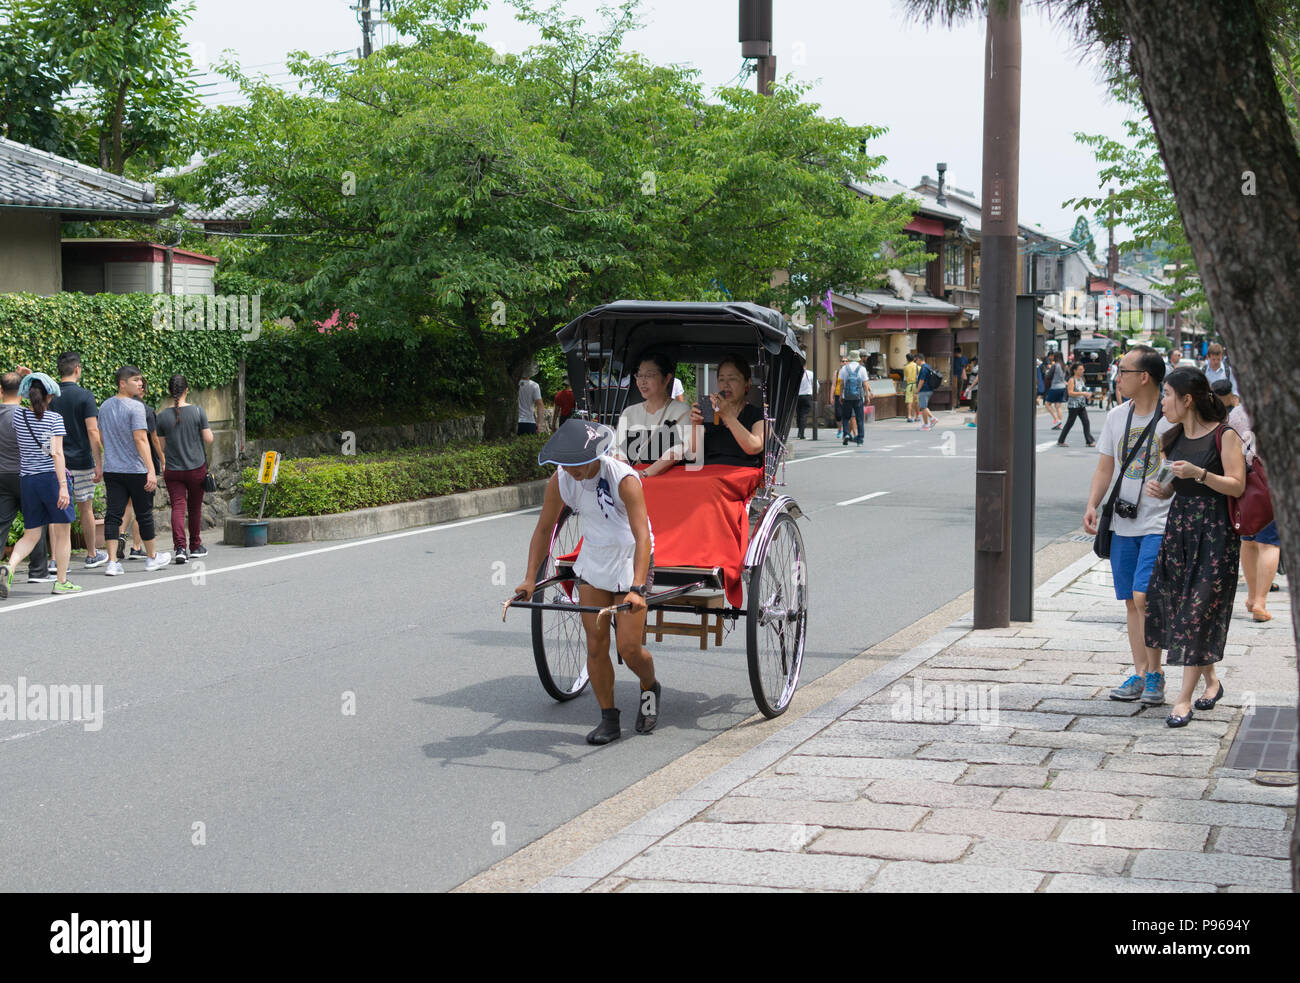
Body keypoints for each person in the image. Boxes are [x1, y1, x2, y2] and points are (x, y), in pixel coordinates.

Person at [515, 419, 659, 745]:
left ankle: (650, 688)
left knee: (630, 647)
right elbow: (543, 530)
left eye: (577, 463)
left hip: (630, 559)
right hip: (593, 562)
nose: (572, 470)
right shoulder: (562, 480)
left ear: (596, 453)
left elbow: (641, 536)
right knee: (595, 644)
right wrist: (528, 578)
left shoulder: (624, 479)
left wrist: (637, 587)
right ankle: (608, 717)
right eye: (565, 463)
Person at [1143, 367, 1247, 727]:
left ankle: (1182, 699)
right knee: (1176, 607)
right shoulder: (1169, 438)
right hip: (1180, 529)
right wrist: (1164, 488)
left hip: (1216, 532)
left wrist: (1200, 474)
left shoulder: (1225, 435)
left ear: (1187, 399)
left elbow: (1236, 486)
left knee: (1196, 611)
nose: (1163, 403)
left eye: (1168, 395)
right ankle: (1213, 682)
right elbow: (1173, 484)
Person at [1084, 346, 1171, 705]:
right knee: (1131, 604)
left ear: (1144, 377)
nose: (1117, 378)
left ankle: (1156, 673)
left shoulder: (1172, 416)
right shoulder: (1117, 417)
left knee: (1144, 596)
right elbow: (1106, 467)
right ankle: (1140, 672)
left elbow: (1177, 463)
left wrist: (1167, 486)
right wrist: (1092, 504)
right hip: (1122, 520)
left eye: (1122, 371)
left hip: (1159, 520)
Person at [0, 373, 82, 597]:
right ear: (49, 396)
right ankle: (62, 581)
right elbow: (56, 454)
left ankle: (10, 566)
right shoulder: (54, 419)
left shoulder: (19, 417)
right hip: (51, 479)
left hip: (28, 480)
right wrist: (63, 486)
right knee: (63, 532)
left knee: (31, 533)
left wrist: (27, 378)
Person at [1214, 379, 1278, 621]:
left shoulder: (1238, 412)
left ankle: (1252, 597)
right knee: (1270, 544)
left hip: (1243, 482)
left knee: (1248, 540)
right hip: (1272, 483)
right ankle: (1261, 600)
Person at [98, 366, 171, 575]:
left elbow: (101, 437)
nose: (140, 384)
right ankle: (151, 558)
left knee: (113, 514)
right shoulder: (137, 407)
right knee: (144, 513)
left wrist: (113, 454)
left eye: (141, 380)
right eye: (136, 380)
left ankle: (112, 562)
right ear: (122, 383)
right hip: (136, 470)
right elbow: (141, 439)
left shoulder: (104, 406)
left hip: (112, 470)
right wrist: (151, 469)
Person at [48, 352, 106, 569]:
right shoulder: (85, 396)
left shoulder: (50, 396)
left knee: (56, 509)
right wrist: (98, 462)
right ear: (77, 369)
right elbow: (93, 431)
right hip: (81, 461)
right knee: (86, 508)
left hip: (56, 461)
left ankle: (54, 559)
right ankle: (91, 554)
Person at [155, 374, 214, 564]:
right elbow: (209, 438)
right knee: (195, 508)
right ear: (187, 390)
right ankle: (195, 546)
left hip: (173, 470)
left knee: (178, 508)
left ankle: (180, 548)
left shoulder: (162, 416)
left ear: (169, 391)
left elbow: (162, 447)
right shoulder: (198, 412)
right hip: (196, 467)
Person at [0, 370, 52, 584]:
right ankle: (38, 571)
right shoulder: (26, 416)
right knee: (35, 522)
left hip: (2, 475)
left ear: (1, 390)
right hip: (27, 474)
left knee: (1, 523)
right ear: (23, 391)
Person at [616, 353, 693, 476]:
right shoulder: (629, 412)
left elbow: (678, 450)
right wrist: (626, 473)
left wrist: (645, 473)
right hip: (633, 478)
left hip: (667, 477)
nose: (642, 381)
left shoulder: (681, 411)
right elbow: (618, 449)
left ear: (667, 378)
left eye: (649, 375)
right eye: (639, 375)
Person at [689, 356, 765, 466]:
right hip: (709, 473)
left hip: (742, 474)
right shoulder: (709, 410)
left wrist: (728, 417)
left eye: (732, 379)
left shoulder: (757, 414)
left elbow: (755, 447)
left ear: (747, 382)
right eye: (721, 379)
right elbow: (693, 456)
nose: (726, 385)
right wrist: (696, 426)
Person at [1057, 362, 1097, 447]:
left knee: (1086, 422)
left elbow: (1084, 390)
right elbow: (1070, 393)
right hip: (1073, 406)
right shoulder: (1072, 380)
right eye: (1080, 369)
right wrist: (1083, 393)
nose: (1082, 371)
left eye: (1083, 369)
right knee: (1070, 423)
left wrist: (1087, 395)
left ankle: (1089, 441)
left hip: (1081, 405)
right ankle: (1061, 440)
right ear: (1075, 370)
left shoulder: (1082, 379)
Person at [837, 352, 870, 447]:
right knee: (859, 419)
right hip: (858, 397)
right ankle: (860, 440)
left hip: (847, 397)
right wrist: (867, 396)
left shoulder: (844, 369)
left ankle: (846, 434)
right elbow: (865, 384)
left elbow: (842, 384)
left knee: (846, 417)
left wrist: (840, 396)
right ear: (858, 358)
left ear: (850, 358)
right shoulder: (862, 369)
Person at [914, 352, 939, 431]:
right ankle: (928, 422)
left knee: (923, 407)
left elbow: (922, 380)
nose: (916, 362)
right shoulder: (927, 366)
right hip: (928, 389)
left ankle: (929, 422)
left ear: (918, 359)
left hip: (924, 389)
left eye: (916, 361)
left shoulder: (924, 368)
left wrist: (917, 391)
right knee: (923, 406)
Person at [1044, 352, 1067, 427]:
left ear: (1056, 356)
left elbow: (1048, 376)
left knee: (1047, 404)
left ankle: (1057, 420)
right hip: (1062, 387)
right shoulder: (1063, 365)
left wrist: (1046, 371)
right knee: (1058, 405)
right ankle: (1059, 425)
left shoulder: (1055, 365)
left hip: (1055, 387)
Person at [796, 361, 814, 439]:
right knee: (804, 415)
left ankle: (799, 431)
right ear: (806, 365)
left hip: (797, 396)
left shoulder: (796, 373)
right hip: (807, 396)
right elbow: (816, 384)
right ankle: (801, 433)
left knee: (799, 414)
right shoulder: (810, 373)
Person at [902, 352, 919, 423]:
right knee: (917, 402)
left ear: (907, 359)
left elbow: (905, 378)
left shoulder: (906, 367)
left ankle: (909, 416)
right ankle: (917, 417)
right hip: (917, 386)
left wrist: (903, 388)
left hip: (909, 386)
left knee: (909, 402)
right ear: (914, 359)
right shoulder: (918, 367)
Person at [832, 356, 846, 437]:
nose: (844, 362)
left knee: (846, 414)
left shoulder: (849, 372)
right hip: (837, 395)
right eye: (843, 361)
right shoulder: (837, 372)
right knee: (838, 414)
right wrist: (831, 396)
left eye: (846, 361)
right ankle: (839, 429)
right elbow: (833, 385)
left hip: (846, 395)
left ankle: (845, 430)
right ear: (840, 363)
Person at [964, 357, 979, 427]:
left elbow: (977, 378)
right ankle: (975, 423)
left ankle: (975, 423)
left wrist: (970, 387)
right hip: (979, 387)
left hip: (978, 387)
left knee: (979, 404)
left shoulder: (979, 367)